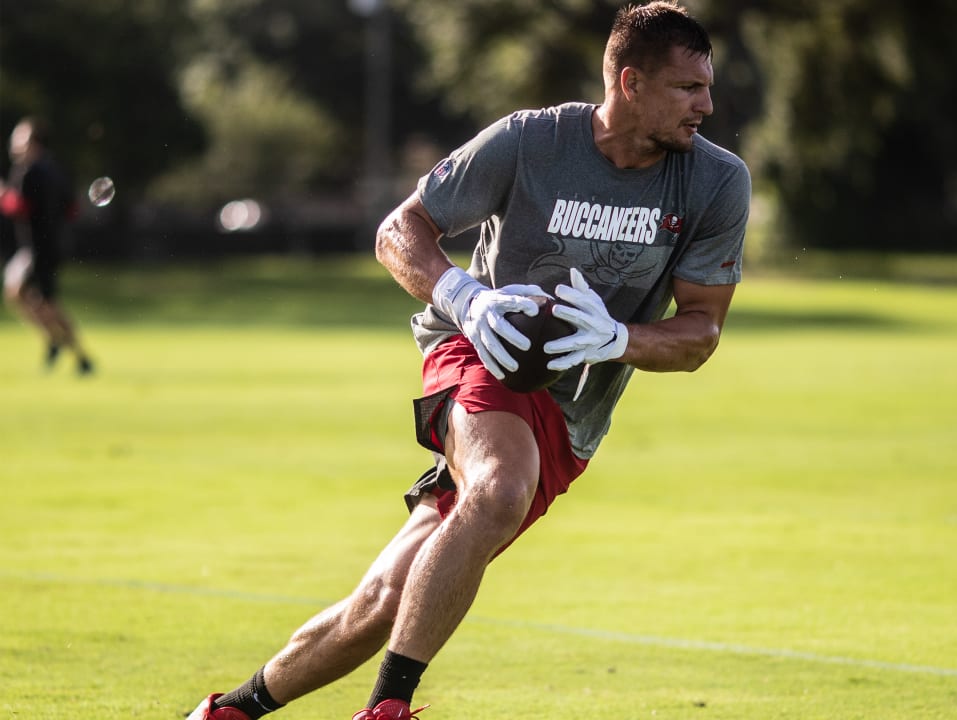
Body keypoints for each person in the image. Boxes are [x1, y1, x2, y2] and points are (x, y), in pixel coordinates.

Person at [188, 2, 749, 718]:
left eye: (708, 86)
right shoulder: (530, 141)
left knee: (388, 597)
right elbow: (401, 229)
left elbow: (701, 331)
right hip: (481, 351)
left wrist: (619, 339)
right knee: (501, 486)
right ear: (631, 83)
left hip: (570, 419)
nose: (707, 105)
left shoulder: (716, 181)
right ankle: (389, 708)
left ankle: (228, 711)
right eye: (688, 88)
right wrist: (467, 298)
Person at [1, 116, 94, 375]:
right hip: (47, 246)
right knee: (21, 293)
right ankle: (59, 344)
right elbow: (72, 208)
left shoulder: (29, 171)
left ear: (33, 143)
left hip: (38, 248)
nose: (14, 143)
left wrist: (3, 195)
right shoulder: (54, 169)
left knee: (44, 302)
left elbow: (19, 206)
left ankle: (77, 353)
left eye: (19, 138)